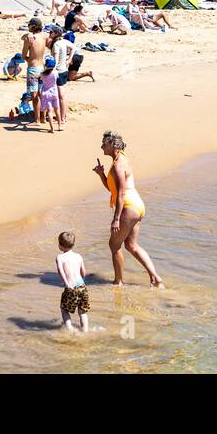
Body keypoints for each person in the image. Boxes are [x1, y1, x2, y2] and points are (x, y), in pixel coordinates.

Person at [92, 132, 163, 288]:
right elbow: (114, 190)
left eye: (104, 143)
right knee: (131, 245)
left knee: (114, 244)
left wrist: (116, 218)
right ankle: (156, 278)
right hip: (137, 205)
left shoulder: (118, 165)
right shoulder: (120, 159)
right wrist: (101, 174)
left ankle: (118, 283)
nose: (102, 146)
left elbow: (121, 193)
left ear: (113, 145)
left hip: (128, 206)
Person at [55, 231, 90, 333]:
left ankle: (70, 330)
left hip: (70, 287)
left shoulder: (60, 257)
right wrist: (81, 281)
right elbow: (84, 272)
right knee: (82, 311)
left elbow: (61, 271)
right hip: (82, 286)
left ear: (60, 246)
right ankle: (85, 331)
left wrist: (66, 282)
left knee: (64, 309)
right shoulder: (78, 256)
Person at [21, 18, 48, 124]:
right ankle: (44, 118)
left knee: (35, 96)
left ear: (32, 26)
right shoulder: (45, 36)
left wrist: (29, 60)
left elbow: (23, 56)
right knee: (42, 94)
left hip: (33, 69)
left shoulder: (29, 38)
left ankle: (36, 119)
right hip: (43, 68)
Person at [39, 57, 62, 132]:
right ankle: (59, 126)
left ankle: (52, 128)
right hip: (54, 93)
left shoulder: (43, 74)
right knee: (57, 110)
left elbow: (41, 78)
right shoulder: (55, 73)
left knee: (49, 111)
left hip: (46, 94)